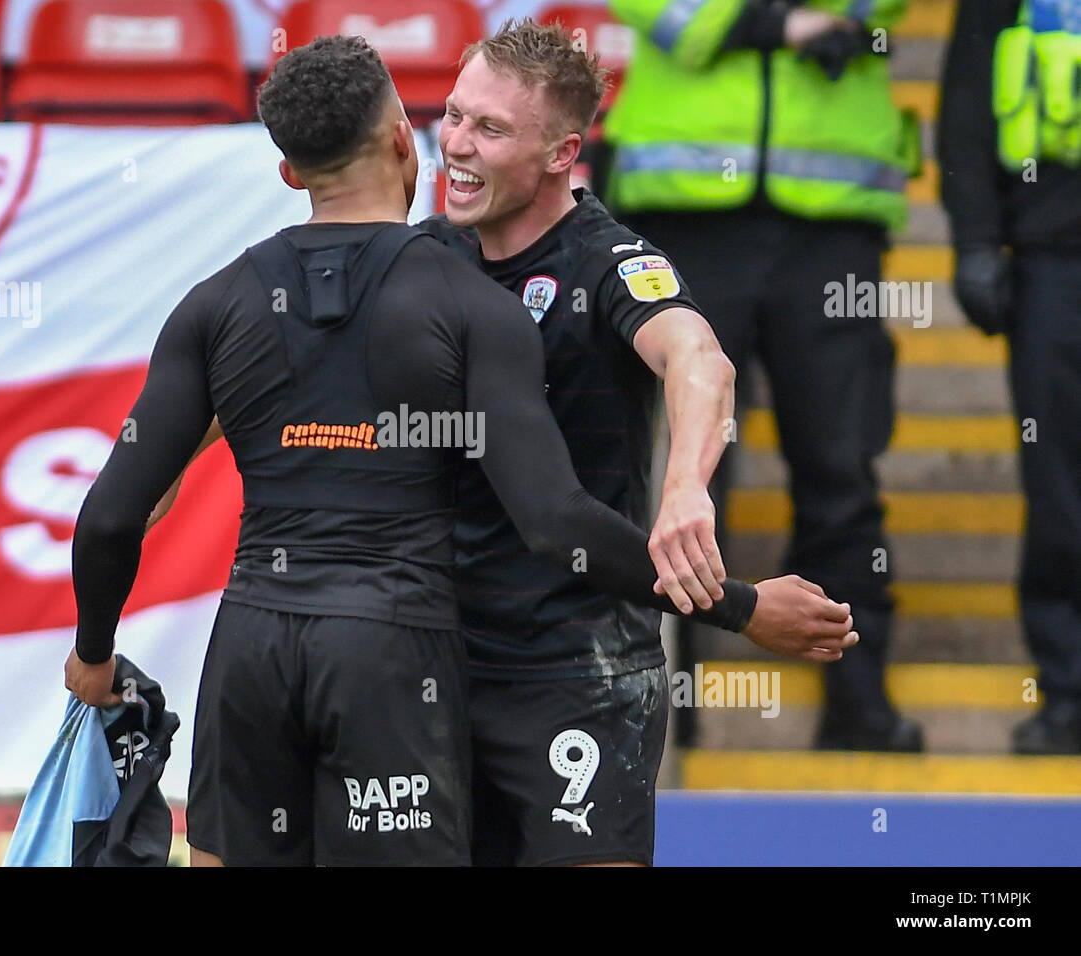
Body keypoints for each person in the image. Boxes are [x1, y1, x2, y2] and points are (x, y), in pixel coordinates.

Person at [65, 35, 856, 867]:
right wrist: (158, 482)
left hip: (569, 670)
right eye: (454, 115)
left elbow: (697, 360)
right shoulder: (422, 263)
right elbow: (215, 422)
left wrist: (688, 488)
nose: (461, 144)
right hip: (427, 660)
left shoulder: (608, 261)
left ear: (563, 153)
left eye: (493, 129)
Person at [603, 0, 923, 752]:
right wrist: (770, 23)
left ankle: (857, 698)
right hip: (684, 212)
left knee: (839, 464)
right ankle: (665, 707)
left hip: (833, 218)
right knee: (686, 474)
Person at [939, 0, 1081, 754]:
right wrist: (974, 240)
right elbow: (965, 105)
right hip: (1052, 259)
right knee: (1058, 481)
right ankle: (1068, 692)